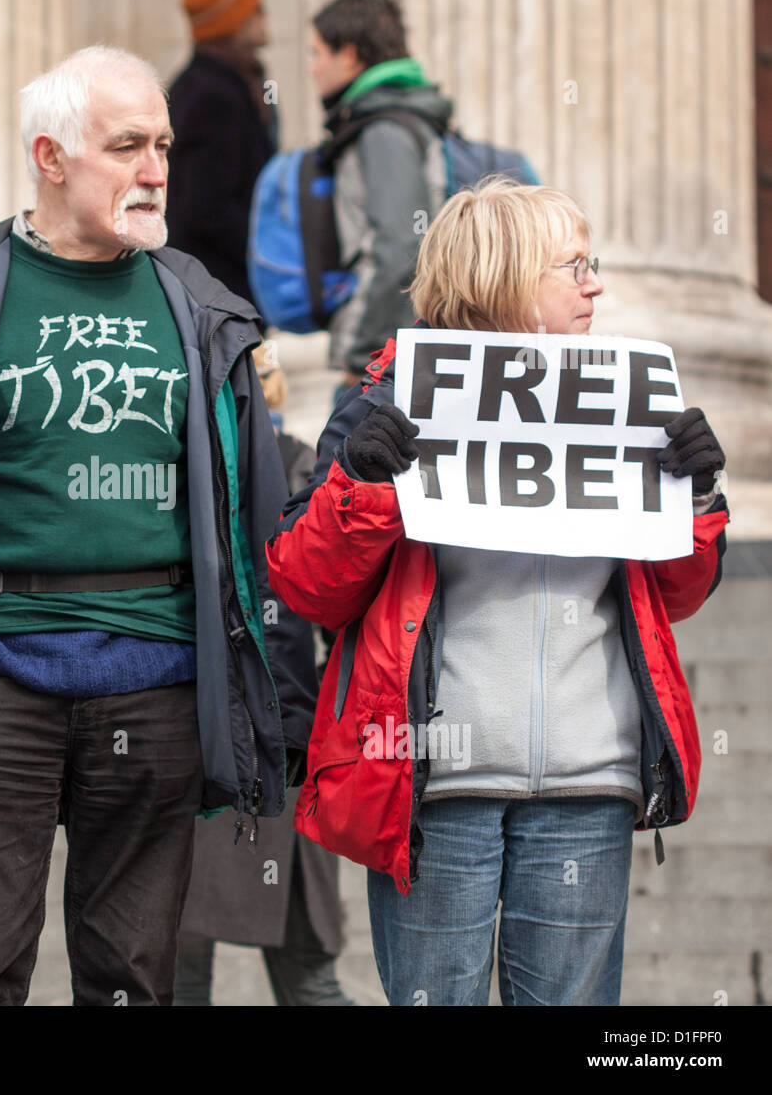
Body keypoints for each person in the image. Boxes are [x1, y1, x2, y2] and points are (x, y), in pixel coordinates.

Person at [0, 45, 317, 1006]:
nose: (155, 168)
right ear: (51, 156)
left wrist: (273, 695)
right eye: (125, 146)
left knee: (131, 981)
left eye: (162, 144)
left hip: (160, 679)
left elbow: (259, 525)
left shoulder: (204, 309)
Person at [266, 179, 730, 1005]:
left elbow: (681, 594)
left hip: (591, 783)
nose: (596, 285)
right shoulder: (383, 402)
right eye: (574, 266)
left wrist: (698, 497)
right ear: (503, 277)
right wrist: (363, 485)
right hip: (434, 782)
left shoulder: (629, 402)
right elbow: (308, 586)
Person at [174, 345, 353, 1008]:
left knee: (200, 975)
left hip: (252, 743)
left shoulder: (287, 467)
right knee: (298, 979)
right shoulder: (302, 466)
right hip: (251, 743)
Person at [308, 0, 452, 384]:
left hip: (382, 364)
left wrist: (362, 356)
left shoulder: (383, 131)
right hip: (394, 355)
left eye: (317, 53)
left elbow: (399, 245)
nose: (312, 68)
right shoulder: (393, 119)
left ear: (349, 56)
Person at [166, 0, 276, 303]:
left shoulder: (236, 82)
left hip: (225, 286)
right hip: (218, 291)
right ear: (235, 22)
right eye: (255, 10)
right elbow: (206, 209)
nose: (264, 17)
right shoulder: (212, 95)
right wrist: (269, 246)